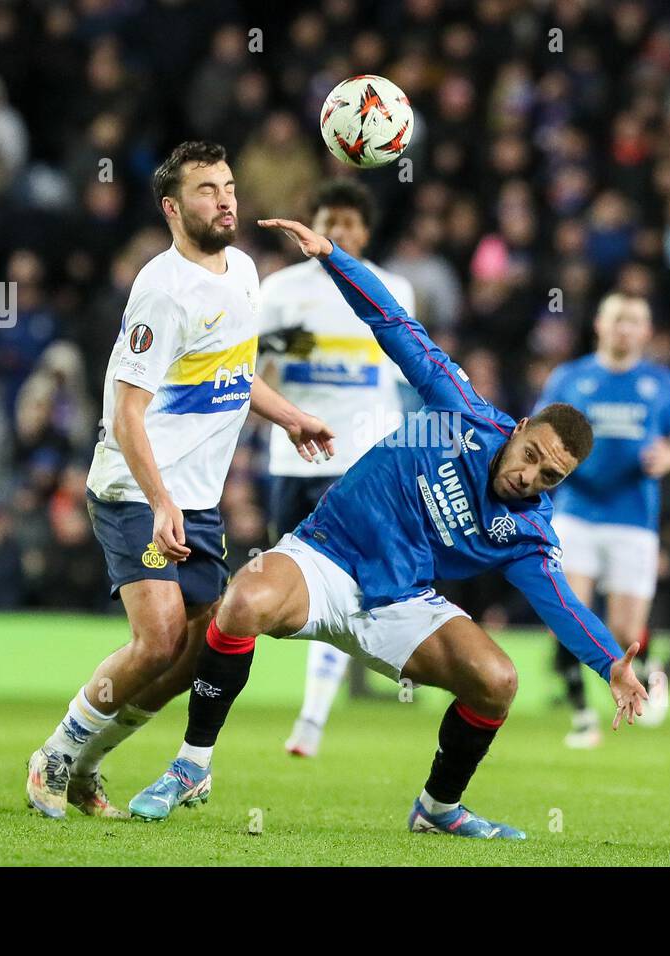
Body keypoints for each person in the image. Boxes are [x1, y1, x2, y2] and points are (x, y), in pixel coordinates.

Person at [126, 217, 649, 839]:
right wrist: (333, 258)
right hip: (325, 557)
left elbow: (560, 603)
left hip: (402, 601)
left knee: (497, 682)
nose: (531, 477)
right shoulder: (461, 413)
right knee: (243, 599)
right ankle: (192, 766)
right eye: (532, 455)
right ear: (521, 426)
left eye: (550, 477)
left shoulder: (528, 532)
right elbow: (399, 328)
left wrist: (611, 663)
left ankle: (437, 809)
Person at [25, 143, 334, 819]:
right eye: (205, 190)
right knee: (159, 637)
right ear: (172, 207)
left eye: (227, 186)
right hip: (137, 489)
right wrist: (161, 500)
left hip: (198, 501)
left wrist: (291, 418)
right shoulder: (161, 290)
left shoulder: (246, 272)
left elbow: (235, 372)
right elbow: (126, 412)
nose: (224, 199)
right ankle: (54, 753)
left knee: (193, 655)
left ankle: (87, 765)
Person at [257, 179, 415, 758]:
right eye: (330, 222)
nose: (340, 233)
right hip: (290, 456)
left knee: (339, 584)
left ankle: (312, 717)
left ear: (365, 233)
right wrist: (278, 344)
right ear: (313, 228)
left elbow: (408, 367)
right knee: (288, 596)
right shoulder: (277, 289)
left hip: (358, 458)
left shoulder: (390, 288)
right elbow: (241, 363)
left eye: (350, 224)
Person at [536, 294, 670, 746]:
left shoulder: (661, 384)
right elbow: (538, 432)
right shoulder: (570, 378)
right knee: (568, 616)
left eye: (635, 322)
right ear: (600, 326)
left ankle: (648, 672)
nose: (626, 329)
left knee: (626, 630)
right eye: (618, 320)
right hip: (576, 512)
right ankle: (583, 715)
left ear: (646, 332)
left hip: (633, 519)